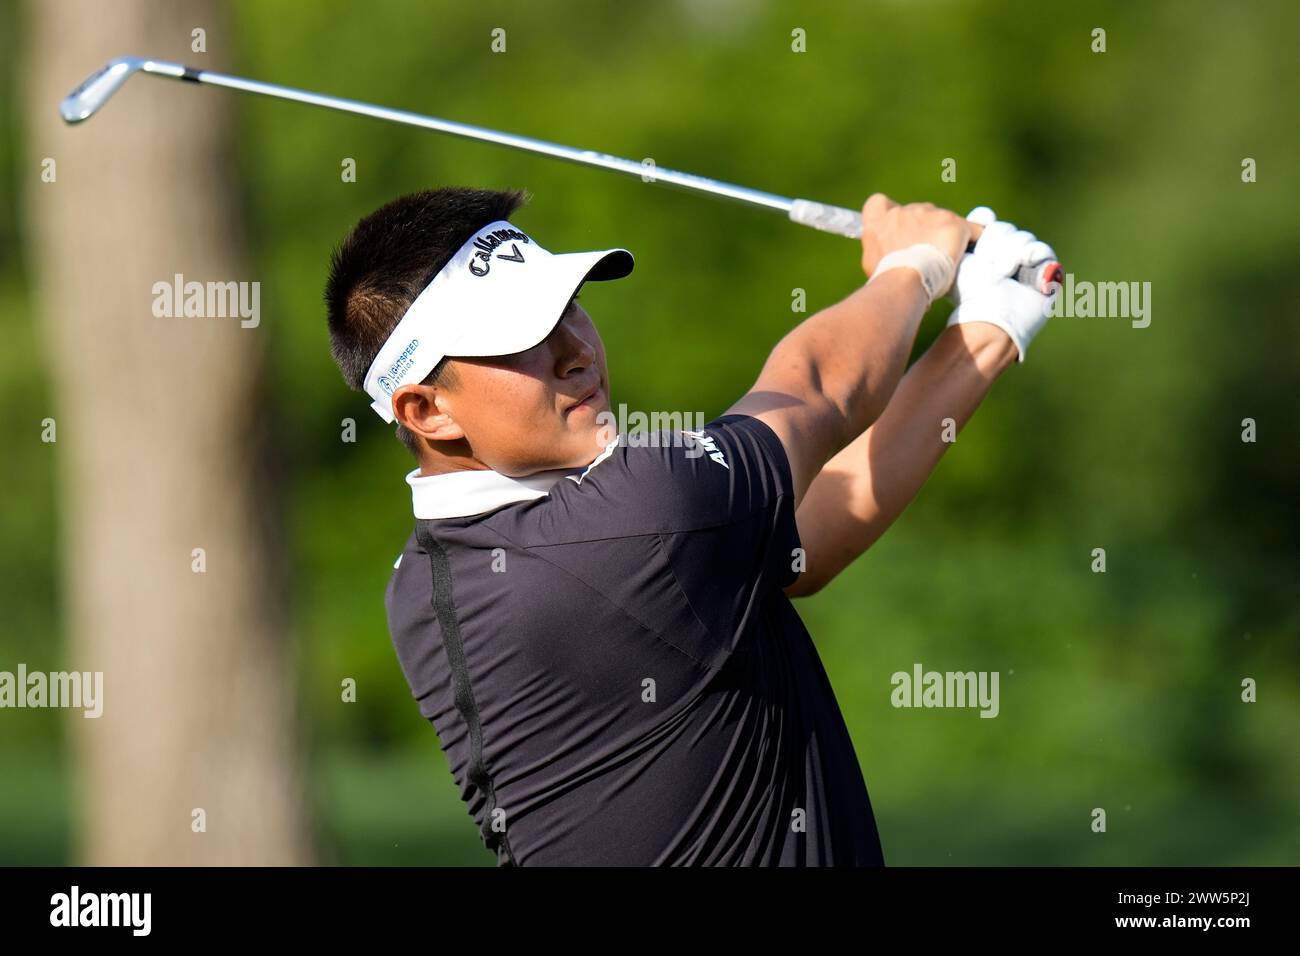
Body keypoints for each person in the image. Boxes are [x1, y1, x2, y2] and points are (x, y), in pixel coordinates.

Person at [323, 186, 1056, 865]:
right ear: (426, 410)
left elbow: (807, 541)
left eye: (565, 306)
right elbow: (817, 388)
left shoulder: (424, 584)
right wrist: (914, 262)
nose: (575, 352)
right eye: (521, 339)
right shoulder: (640, 521)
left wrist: (992, 323)